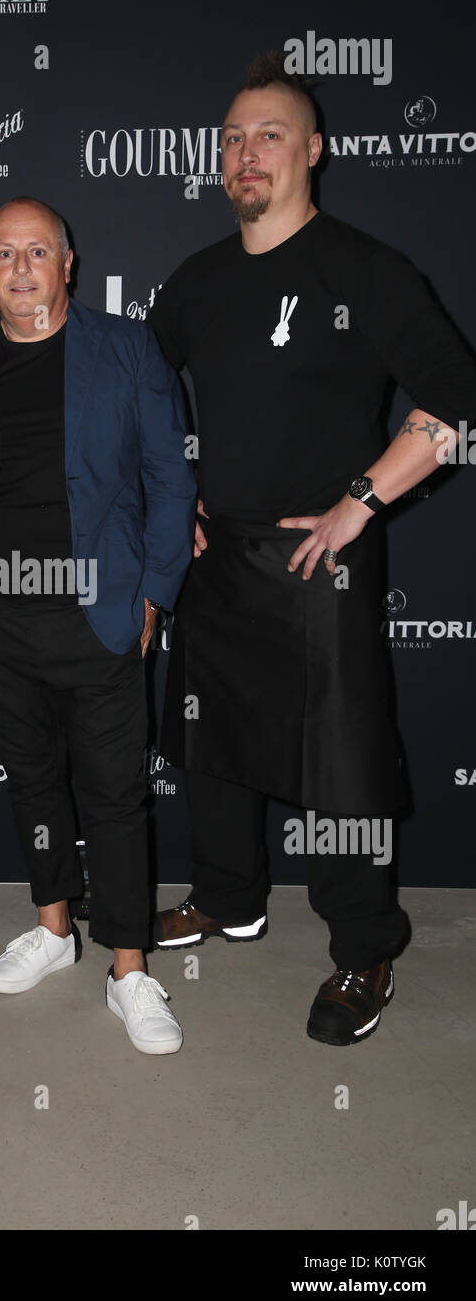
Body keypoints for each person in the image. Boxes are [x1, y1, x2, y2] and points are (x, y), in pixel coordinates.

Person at [150, 55, 475, 1046]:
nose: (246, 154)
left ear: (312, 151)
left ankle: (363, 946)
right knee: (210, 746)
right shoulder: (196, 280)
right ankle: (226, 898)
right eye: (233, 138)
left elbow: (454, 395)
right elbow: (143, 395)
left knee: (338, 765)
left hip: (317, 563)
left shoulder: (363, 269)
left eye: (269, 136)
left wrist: (360, 502)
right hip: (216, 560)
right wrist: (177, 496)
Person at [0, 197, 195, 1055]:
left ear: (68, 264)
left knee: (114, 795)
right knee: (33, 783)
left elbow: (168, 480)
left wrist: (153, 591)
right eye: (5, 253)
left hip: (98, 614)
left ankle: (131, 971)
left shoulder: (127, 349)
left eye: (39, 251)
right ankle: (54, 928)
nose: (23, 267)